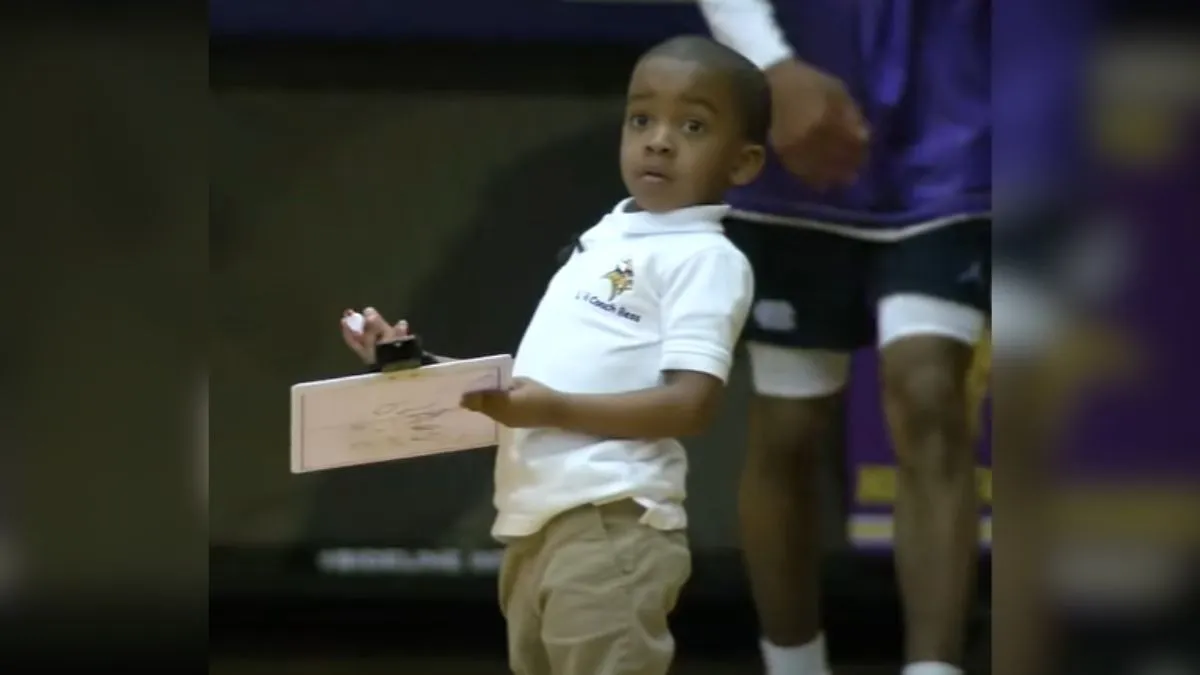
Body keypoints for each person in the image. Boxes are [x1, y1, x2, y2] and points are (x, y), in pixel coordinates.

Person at [340, 35, 769, 675]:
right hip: (532, 524)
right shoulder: (605, 236)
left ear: (743, 163)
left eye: (694, 125)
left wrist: (555, 407)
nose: (658, 139)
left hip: (610, 524)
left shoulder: (707, 259)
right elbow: (521, 397)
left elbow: (691, 404)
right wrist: (408, 364)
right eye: (641, 118)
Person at [696, 1, 990, 674]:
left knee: (929, 389)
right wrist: (771, 66)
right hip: (795, 132)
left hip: (950, 129)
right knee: (791, 424)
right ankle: (795, 666)